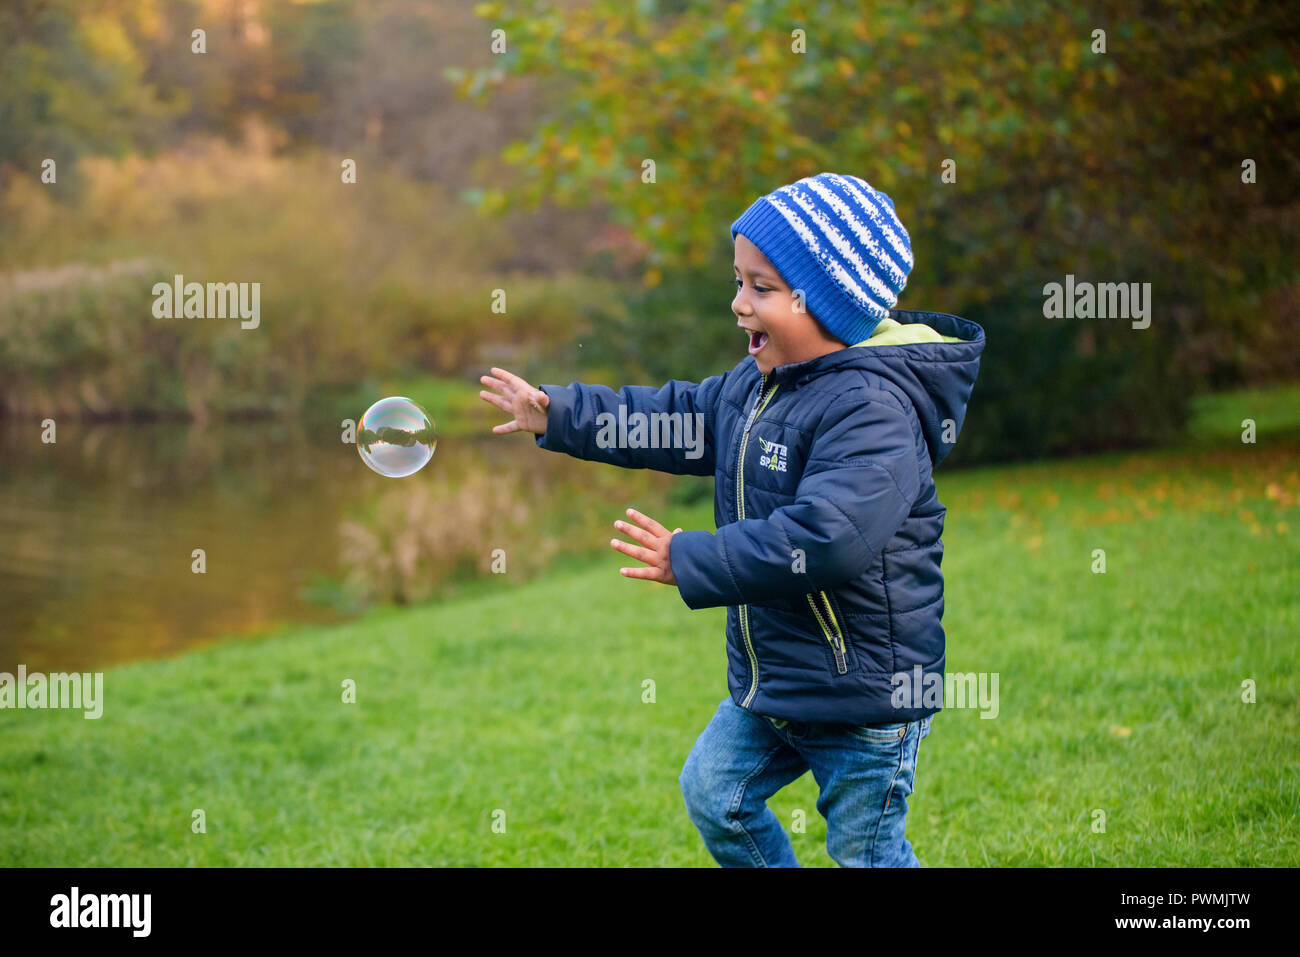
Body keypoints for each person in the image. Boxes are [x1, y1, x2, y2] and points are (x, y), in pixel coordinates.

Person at [479, 172, 985, 866]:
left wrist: (694, 557)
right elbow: (676, 418)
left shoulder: (873, 409)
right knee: (715, 793)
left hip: (866, 693)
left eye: (761, 287)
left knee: (867, 853)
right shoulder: (760, 383)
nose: (738, 303)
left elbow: (828, 538)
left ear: (831, 304)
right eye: (738, 280)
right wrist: (561, 414)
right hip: (775, 679)